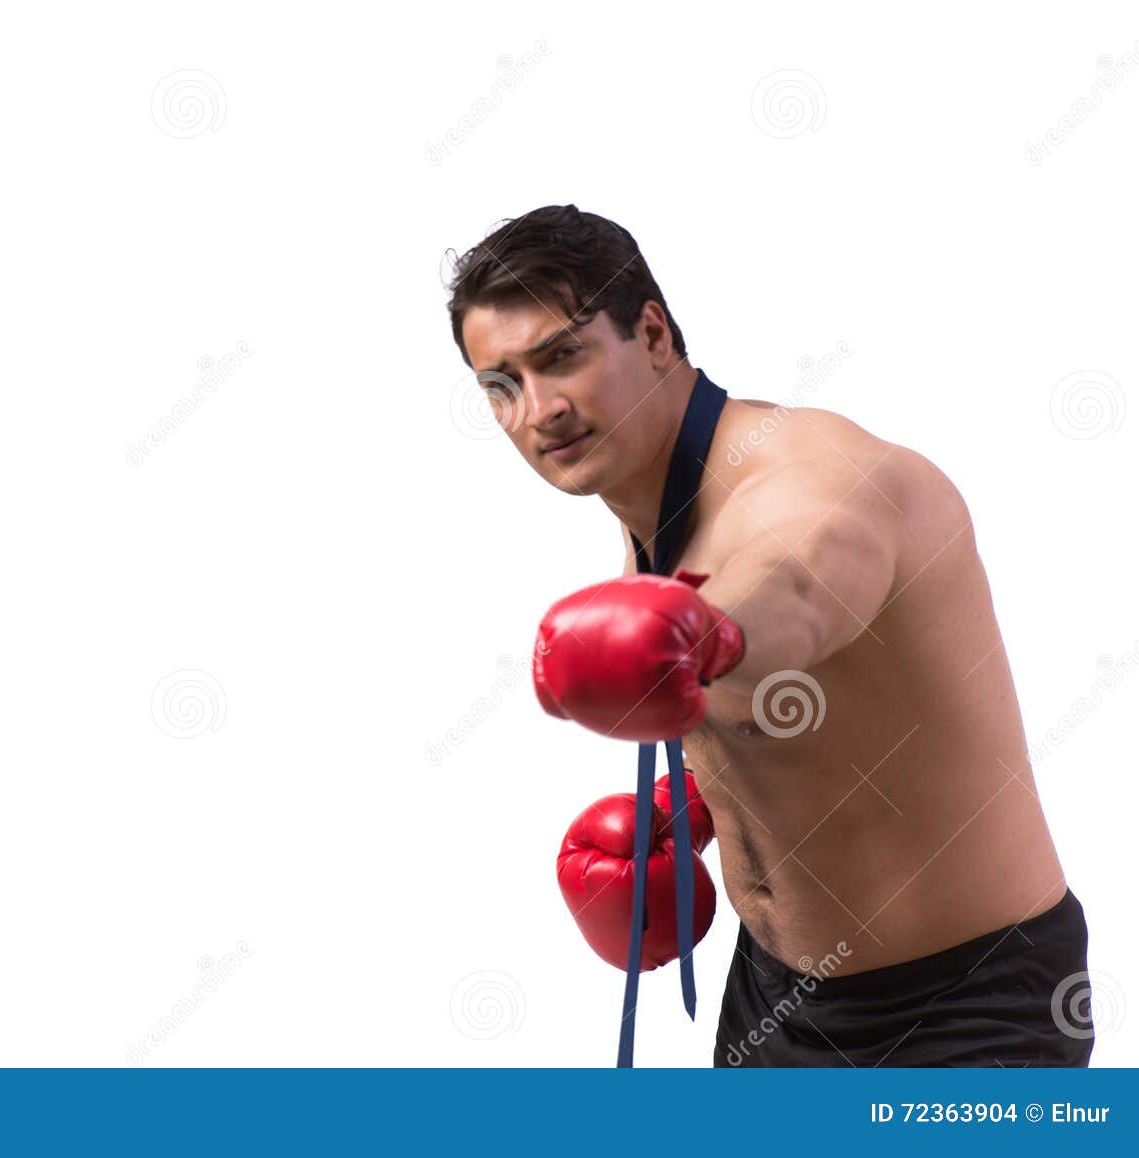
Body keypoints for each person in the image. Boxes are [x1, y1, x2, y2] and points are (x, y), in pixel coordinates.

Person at [445, 204, 1093, 1067]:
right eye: (503, 383)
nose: (540, 409)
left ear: (653, 333)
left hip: (968, 1014)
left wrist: (703, 635)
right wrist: (692, 811)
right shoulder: (653, 490)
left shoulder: (817, 480)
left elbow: (802, 584)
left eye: (562, 356)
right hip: (774, 996)